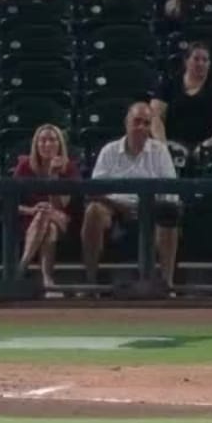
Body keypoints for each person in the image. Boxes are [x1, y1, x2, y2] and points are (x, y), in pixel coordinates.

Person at [82, 102, 182, 291]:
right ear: (126, 123)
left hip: (152, 209)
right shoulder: (109, 151)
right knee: (93, 211)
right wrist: (122, 207)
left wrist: (148, 208)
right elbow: (96, 190)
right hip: (115, 208)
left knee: (169, 211)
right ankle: (90, 282)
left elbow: (171, 191)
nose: (141, 127)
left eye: (146, 123)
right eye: (137, 121)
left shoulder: (160, 151)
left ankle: (167, 283)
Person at [12, 123, 80, 294]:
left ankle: (20, 269)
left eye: (52, 140)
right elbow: (10, 202)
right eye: (42, 140)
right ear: (36, 144)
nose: (47, 145)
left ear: (59, 144)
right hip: (30, 219)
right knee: (47, 224)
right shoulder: (25, 166)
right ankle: (48, 280)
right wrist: (32, 210)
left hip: (61, 218)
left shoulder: (69, 168)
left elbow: (61, 206)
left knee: (49, 215)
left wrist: (54, 177)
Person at [150, 43, 212, 148]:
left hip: (210, 145)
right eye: (196, 59)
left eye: (205, 60)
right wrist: (164, 145)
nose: (201, 63)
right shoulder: (168, 85)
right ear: (186, 61)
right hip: (174, 144)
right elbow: (155, 118)